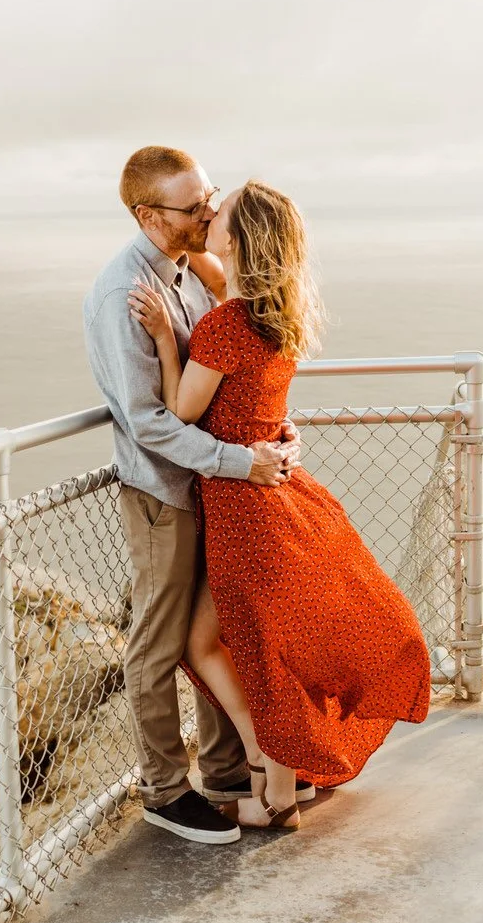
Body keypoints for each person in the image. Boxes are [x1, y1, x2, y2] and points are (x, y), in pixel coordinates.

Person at [128, 179, 433, 830]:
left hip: (241, 511)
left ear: (236, 240)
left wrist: (160, 335)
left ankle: (276, 791)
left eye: (220, 212)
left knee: (214, 644)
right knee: (247, 645)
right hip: (278, 497)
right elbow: (227, 297)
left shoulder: (222, 326)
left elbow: (182, 408)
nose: (208, 214)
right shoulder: (275, 317)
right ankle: (276, 775)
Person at [83, 146, 312, 845]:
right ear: (149, 216)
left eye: (211, 195)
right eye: (194, 204)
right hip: (167, 491)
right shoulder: (124, 292)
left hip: (219, 486)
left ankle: (228, 767)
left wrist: (272, 433)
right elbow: (151, 420)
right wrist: (243, 461)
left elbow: (232, 375)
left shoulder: (191, 272)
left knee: (224, 631)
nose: (209, 209)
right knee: (161, 640)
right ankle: (164, 787)